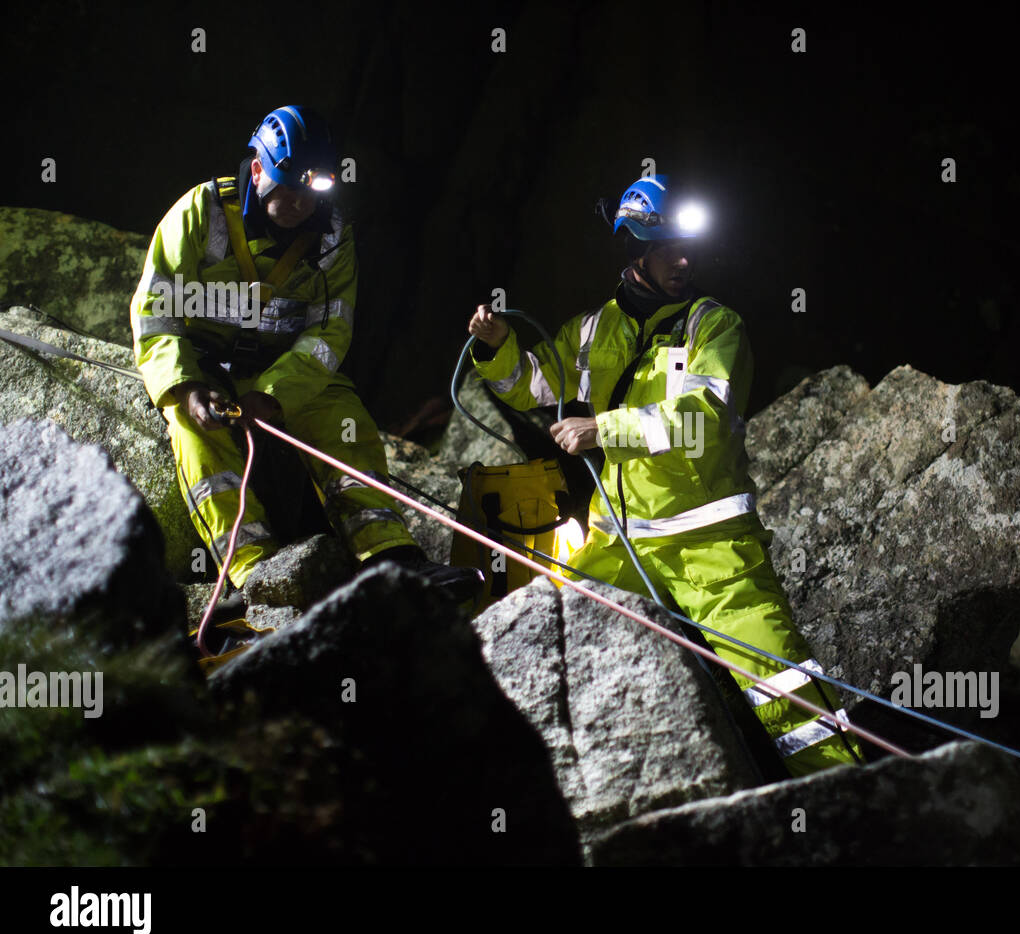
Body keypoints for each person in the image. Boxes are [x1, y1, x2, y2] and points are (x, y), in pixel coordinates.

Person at [466, 174, 862, 775]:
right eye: (668, 249)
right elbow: (526, 385)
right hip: (618, 535)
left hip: (708, 537)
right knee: (554, 641)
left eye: (690, 249)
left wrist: (605, 429)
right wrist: (496, 345)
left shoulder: (715, 325)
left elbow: (704, 417)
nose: (683, 260)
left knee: (780, 683)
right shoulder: (591, 330)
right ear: (636, 251)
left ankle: (844, 797)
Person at [130, 105, 477, 616]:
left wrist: (272, 395)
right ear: (256, 171)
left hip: (286, 373)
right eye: (284, 185)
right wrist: (183, 387)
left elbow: (329, 333)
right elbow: (155, 312)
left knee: (345, 421)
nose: (295, 202)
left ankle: (393, 559)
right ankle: (253, 572)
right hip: (209, 370)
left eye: (309, 189)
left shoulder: (333, 236)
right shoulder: (200, 213)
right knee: (193, 431)